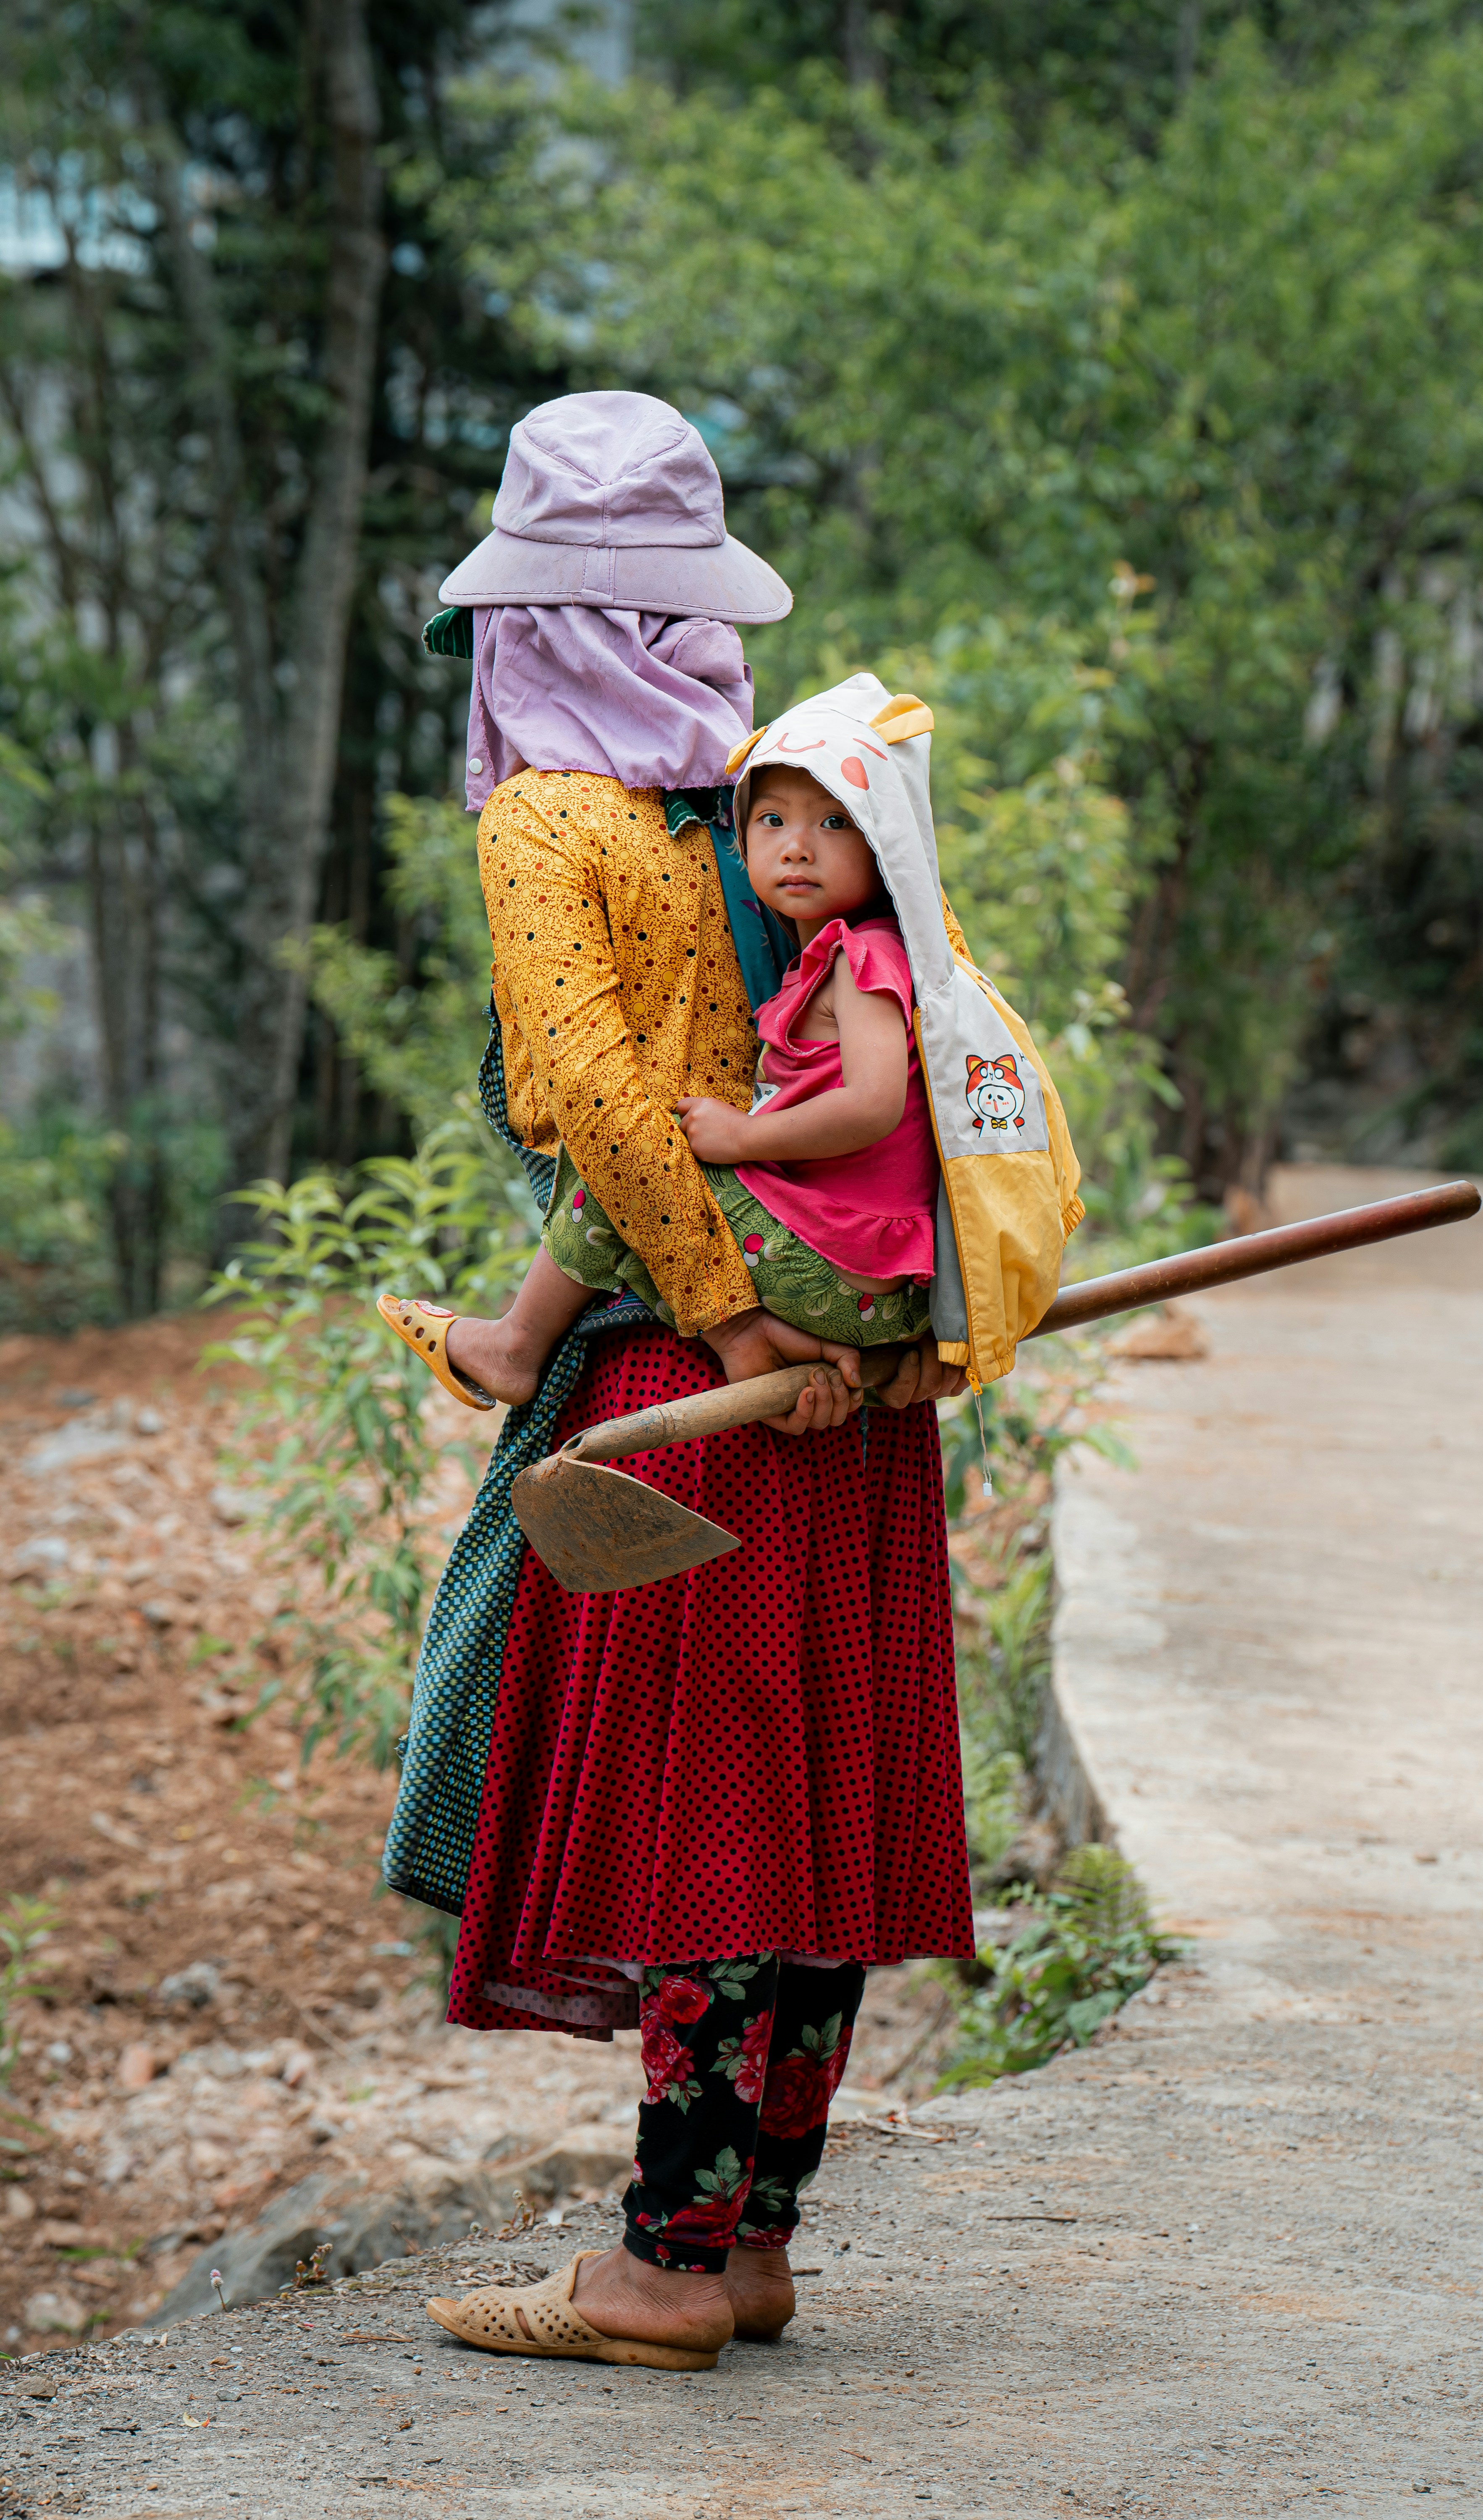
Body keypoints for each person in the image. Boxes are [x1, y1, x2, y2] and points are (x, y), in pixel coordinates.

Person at [377, 392, 1081, 2372]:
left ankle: (663, 2265)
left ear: (520, 609)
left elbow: (604, 1100)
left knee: (709, 1813)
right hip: (855, 1377)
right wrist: (816, 1320)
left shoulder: (554, 815)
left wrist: (728, 1309)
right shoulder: (777, 790)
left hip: (710, 1373)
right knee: (813, 1792)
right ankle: (754, 2235)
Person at [381, 755, 942, 1409]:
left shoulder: (862, 955)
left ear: (883, 846)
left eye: (834, 822)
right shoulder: (837, 954)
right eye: (771, 820)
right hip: (876, 1279)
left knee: (631, 1157)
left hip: (852, 1270)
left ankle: (516, 1345)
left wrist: (742, 1138)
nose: (797, 847)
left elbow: (874, 1107)